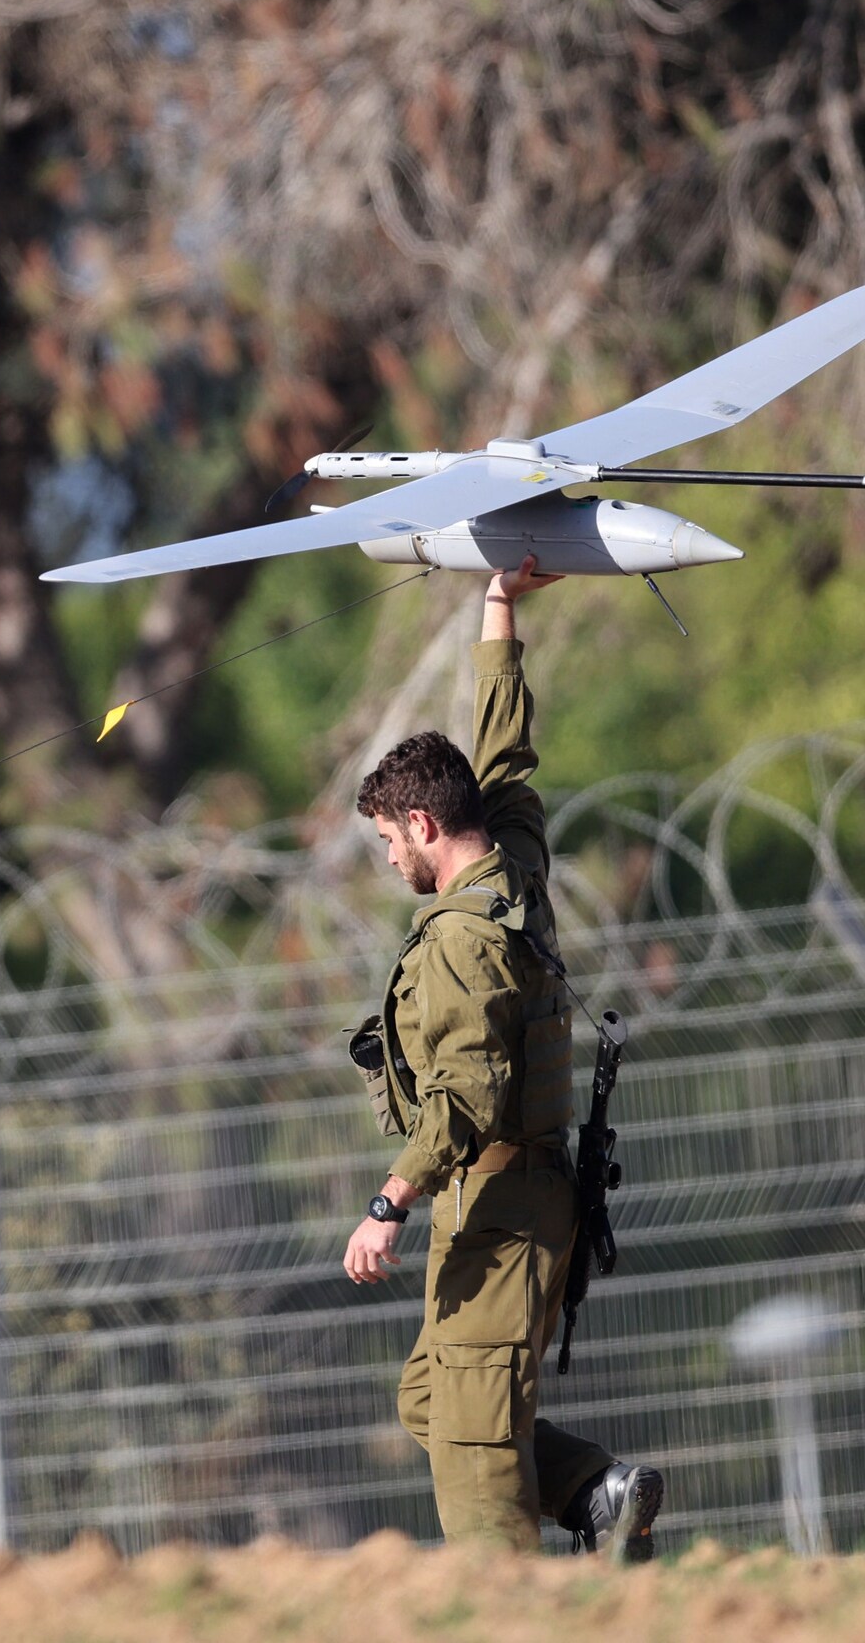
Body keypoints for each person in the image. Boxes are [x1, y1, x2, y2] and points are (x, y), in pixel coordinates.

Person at [342, 556, 664, 1558]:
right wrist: (496, 614)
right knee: (432, 1396)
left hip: (494, 1203)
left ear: (422, 824)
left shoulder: (458, 938)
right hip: (532, 1200)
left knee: (476, 1465)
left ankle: (507, 1600)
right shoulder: (513, 867)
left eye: (390, 839)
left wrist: (388, 1201)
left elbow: (465, 1093)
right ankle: (593, 1492)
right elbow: (507, 761)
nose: (390, 857)